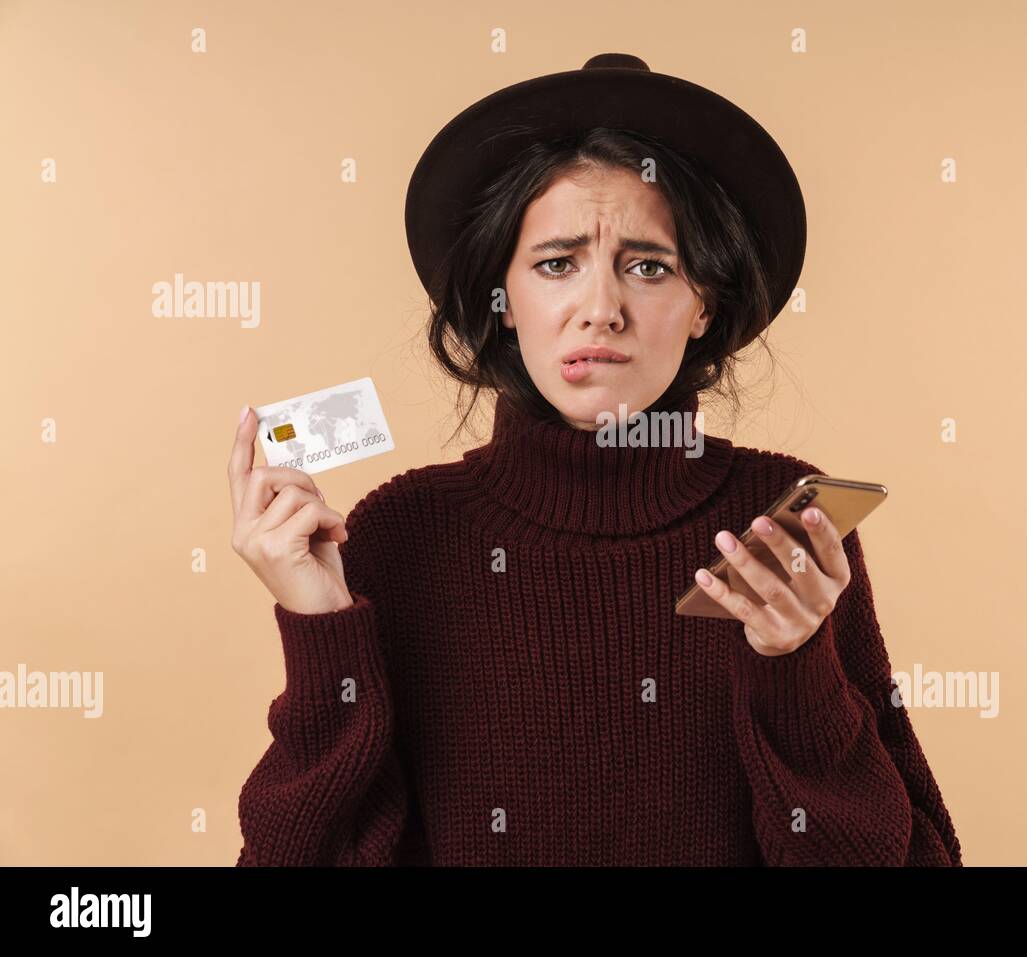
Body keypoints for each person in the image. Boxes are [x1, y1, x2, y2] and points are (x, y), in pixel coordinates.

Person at [227, 53, 962, 866]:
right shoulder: (402, 533)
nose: (601, 310)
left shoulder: (781, 527)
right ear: (503, 303)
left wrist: (795, 669)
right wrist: (322, 630)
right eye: (556, 264)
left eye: (649, 267)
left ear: (701, 306)